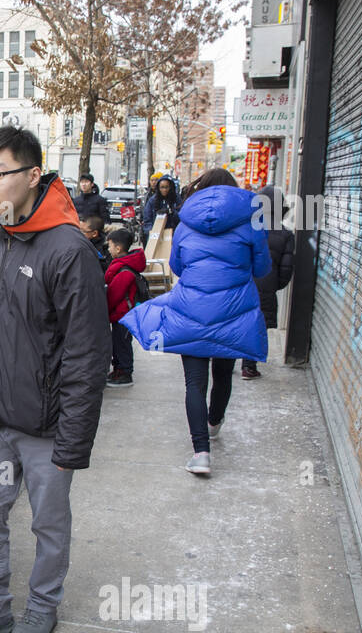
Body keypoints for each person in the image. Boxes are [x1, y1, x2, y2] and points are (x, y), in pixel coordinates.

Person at [0, 127, 109, 633]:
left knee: (48, 522)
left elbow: (88, 355)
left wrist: (73, 443)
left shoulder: (69, 250)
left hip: (45, 426)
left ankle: (42, 607)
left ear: (33, 175)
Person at [119, 168, 272, 476]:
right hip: (233, 311)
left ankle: (201, 452)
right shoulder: (251, 219)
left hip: (192, 309)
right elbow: (262, 268)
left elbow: (176, 265)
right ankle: (215, 422)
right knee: (224, 373)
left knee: (194, 383)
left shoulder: (187, 221)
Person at [242, 184, 296, 379]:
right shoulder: (286, 234)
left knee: (237, 321)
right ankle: (248, 366)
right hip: (266, 287)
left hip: (243, 285)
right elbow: (286, 270)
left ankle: (225, 359)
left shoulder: (246, 228)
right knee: (257, 327)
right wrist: (272, 285)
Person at [104, 227, 147, 388]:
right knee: (120, 343)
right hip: (123, 314)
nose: (108, 249)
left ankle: (124, 373)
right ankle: (119, 370)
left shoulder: (124, 272)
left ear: (118, 248)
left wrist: (104, 310)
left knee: (121, 344)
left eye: (109, 246)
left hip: (122, 315)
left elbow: (113, 296)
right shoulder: (126, 267)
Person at [141, 175, 181, 245]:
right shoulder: (153, 200)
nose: (164, 190)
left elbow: (181, 216)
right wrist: (152, 233)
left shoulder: (176, 199)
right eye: (162, 187)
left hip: (173, 235)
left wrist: (171, 212)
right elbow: (147, 218)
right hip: (155, 236)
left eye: (166, 187)